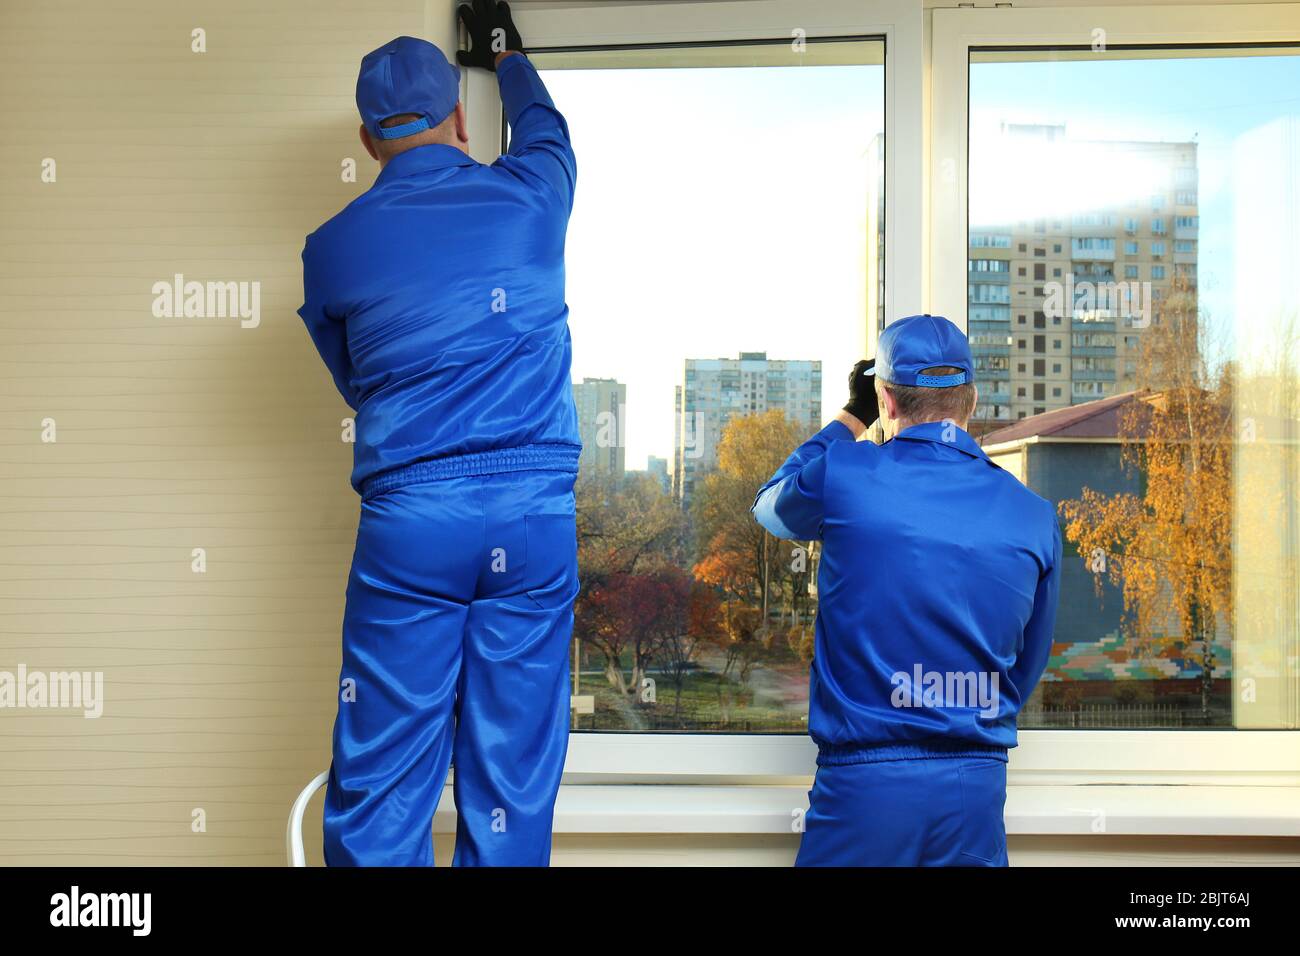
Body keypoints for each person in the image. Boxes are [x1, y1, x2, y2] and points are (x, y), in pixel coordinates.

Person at [296, 0, 580, 866]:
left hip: (412, 523)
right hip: (532, 519)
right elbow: (546, 126)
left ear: (366, 138)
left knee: (383, 782)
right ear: (461, 118)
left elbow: (358, 380)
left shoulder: (331, 249)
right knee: (511, 782)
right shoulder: (531, 193)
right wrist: (507, 52)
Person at [752, 314, 1061, 866]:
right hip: (975, 796)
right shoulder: (1034, 516)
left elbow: (771, 507)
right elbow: (1024, 668)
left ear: (887, 401)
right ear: (970, 402)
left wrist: (851, 416)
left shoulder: (846, 473)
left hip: (866, 794)